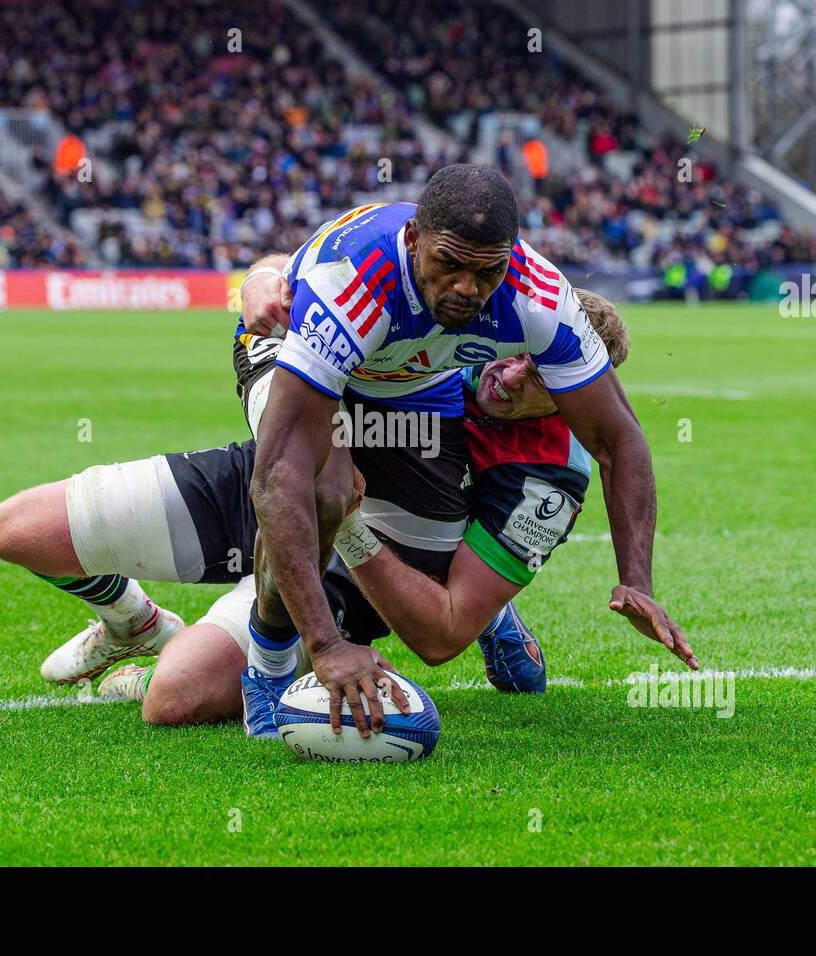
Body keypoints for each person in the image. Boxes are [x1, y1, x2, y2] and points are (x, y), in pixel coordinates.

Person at [241, 164, 685, 740]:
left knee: (425, 565)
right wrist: (327, 647)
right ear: (413, 241)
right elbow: (277, 477)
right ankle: (265, 672)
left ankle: (487, 607)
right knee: (324, 488)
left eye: (487, 271)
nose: (467, 289)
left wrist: (637, 580)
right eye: (448, 264)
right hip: (290, 350)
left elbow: (619, 439)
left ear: (511, 255)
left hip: (407, 381)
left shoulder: (539, 297)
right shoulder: (352, 286)